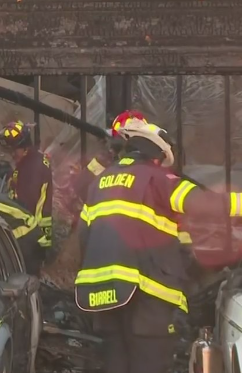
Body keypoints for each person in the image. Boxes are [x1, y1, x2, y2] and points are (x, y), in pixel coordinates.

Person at [75, 117, 242, 373]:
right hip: (148, 299)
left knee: (115, 365)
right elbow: (205, 205)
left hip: (103, 298)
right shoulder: (159, 179)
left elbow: (84, 235)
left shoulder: (100, 183)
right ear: (157, 156)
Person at [0, 120, 54, 251]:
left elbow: (23, 206)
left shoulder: (31, 167)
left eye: (14, 151)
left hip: (31, 237)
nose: (11, 155)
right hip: (34, 236)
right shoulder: (32, 161)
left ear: (25, 147)